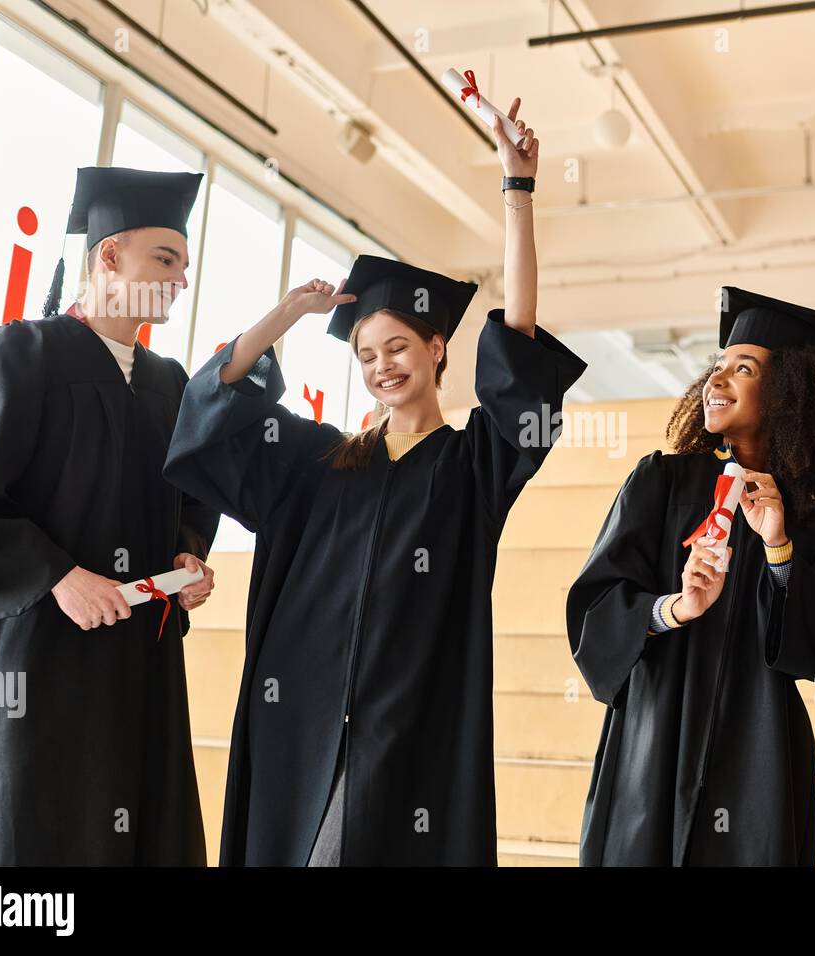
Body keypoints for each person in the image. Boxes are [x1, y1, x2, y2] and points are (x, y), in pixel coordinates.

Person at [163, 99, 587, 865]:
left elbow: (520, 343)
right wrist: (288, 313)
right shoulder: (318, 463)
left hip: (407, 720)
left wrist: (516, 188)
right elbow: (214, 406)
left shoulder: (471, 467)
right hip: (298, 711)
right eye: (365, 355)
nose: (382, 366)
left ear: (436, 349)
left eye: (397, 347)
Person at [0, 166, 220, 865]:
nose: (180, 279)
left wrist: (186, 554)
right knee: (37, 839)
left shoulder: (168, 384)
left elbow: (192, 495)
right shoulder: (21, 354)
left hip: (136, 658)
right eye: (166, 259)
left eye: (185, 264)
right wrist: (58, 576)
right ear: (110, 256)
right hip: (36, 661)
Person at [566, 288, 815, 865]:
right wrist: (673, 608)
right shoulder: (661, 483)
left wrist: (780, 548)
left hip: (758, 754)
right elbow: (595, 606)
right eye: (716, 367)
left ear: (787, 392)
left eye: (743, 368)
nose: (717, 379)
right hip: (654, 738)